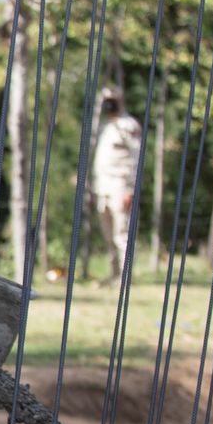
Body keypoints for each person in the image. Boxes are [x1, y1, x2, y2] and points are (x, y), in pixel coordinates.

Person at [90, 87, 143, 282]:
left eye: (111, 99)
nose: (108, 104)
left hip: (120, 185)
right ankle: (114, 273)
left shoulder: (128, 125)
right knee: (108, 234)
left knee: (123, 232)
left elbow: (136, 158)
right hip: (102, 186)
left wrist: (130, 188)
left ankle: (126, 275)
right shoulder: (105, 126)